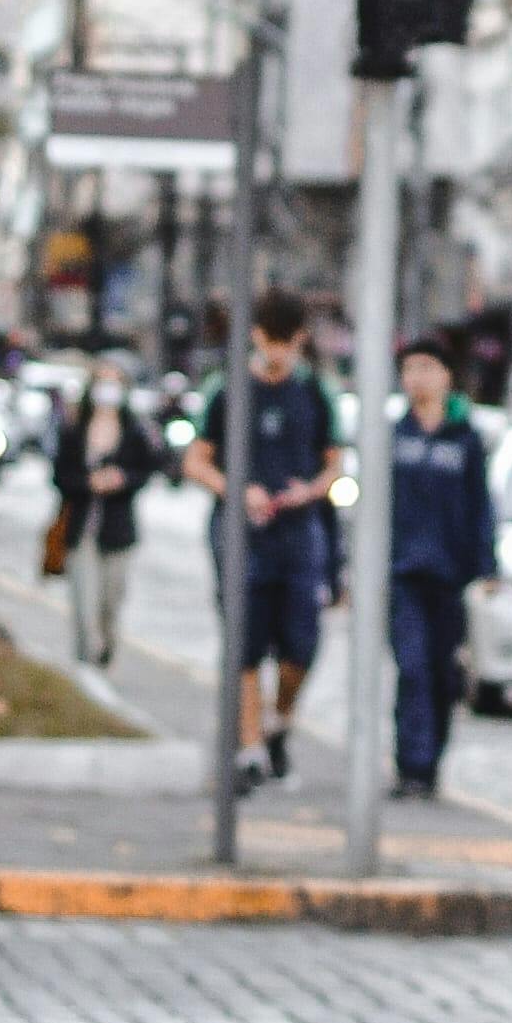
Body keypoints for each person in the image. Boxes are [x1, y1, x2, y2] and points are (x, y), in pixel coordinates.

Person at [183, 288, 346, 793]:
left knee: (301, 646)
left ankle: (278, 723)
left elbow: (335, 464)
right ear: (255, 336)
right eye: (268, 340)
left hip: (299, 536)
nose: (276, 352)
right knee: (245, 643)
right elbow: (196, 461)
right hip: (241, 535)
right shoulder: (226, 390)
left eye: (286, 342)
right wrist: (237, 491)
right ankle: (250, 747)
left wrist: (310, 491)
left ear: (299, 341)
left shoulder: (316, 392)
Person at [384, 337, 496, 797]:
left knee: (441, 673)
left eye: (428, 367)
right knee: (411, 668)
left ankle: (431, 763)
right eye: (411, 368)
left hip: (449, 576)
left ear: (447, 375)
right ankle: (411, 764)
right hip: (403, 573)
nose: (418, 378)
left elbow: (481, 505)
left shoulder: (466, 437)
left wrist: (488, 566)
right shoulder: (396, 435)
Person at [50, 361, 156, 666]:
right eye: (102, 382)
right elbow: (59, 476)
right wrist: (88, 483)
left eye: (115, 383)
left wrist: (122, 480)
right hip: (81, 529)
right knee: (85, 603)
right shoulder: (74, 429)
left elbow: (147, 469)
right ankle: (86, 663)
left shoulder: (134, 430)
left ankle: (106, 649)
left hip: (117, 531)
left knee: (110, 602)